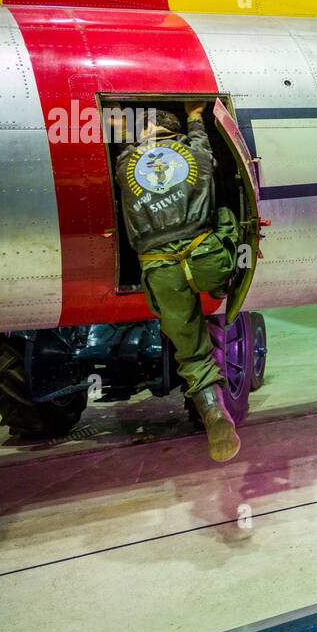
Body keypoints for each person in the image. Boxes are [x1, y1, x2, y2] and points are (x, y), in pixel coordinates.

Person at [115, 101, 242, 462]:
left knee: (192, 351)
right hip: (206, 257)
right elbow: (203, 141)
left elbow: (124, 147)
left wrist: (123, 128)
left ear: (143, 135)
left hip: (161, 270)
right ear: (176, 132)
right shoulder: (195, 155)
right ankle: (221, 284)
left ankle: (213, 411)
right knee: (227, 215)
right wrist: (196, 114)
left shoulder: (126, 167)